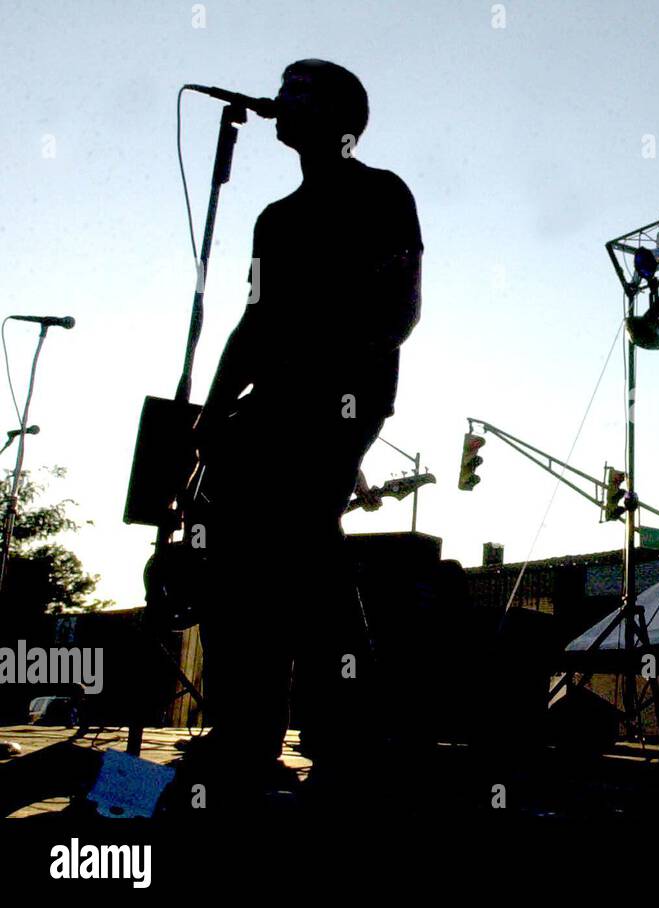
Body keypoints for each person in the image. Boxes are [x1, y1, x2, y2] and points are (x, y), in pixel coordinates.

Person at [186, 58, 422, 803]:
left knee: (303, 545)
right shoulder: (273, 219)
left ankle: (341, 733)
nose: (281, 100)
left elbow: (400, 309)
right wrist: (214, 408)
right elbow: (253, 320)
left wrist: (327, 371)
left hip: (341, 395)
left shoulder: (382, 193)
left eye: (299, 90)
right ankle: (250, 734)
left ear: (341, 114)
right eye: (283, 89)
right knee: (249, 556)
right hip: (276, 399)